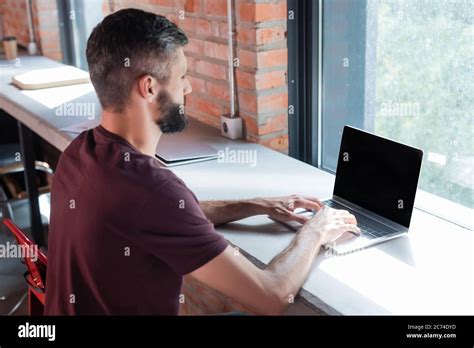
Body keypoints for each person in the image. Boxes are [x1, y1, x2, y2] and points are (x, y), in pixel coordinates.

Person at [45, 8, 359, 315]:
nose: (188, 87)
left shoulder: (78, 153)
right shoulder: (153, 191)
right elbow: (273, 295)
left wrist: (255, 205)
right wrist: (317, 229)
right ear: (150, 87)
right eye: (182, 76)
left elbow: (162, 216)